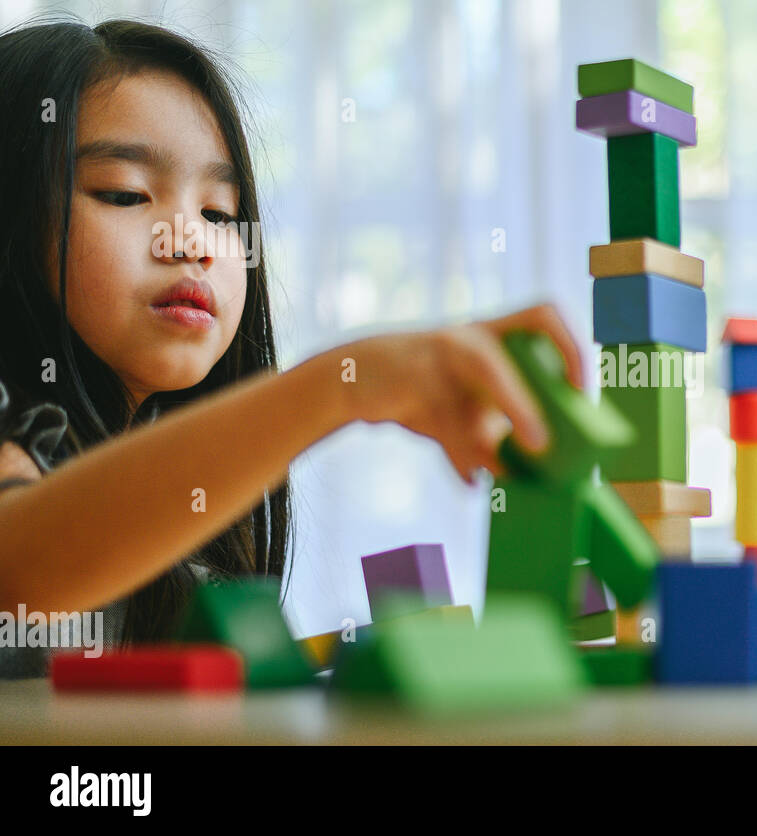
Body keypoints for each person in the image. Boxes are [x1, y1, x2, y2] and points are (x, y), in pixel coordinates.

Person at [0, 18, 581, 676]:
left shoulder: (183, 558)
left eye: (220, 213)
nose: (190, 241)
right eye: (126, 194)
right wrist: (342, 385)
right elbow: (19, 567)